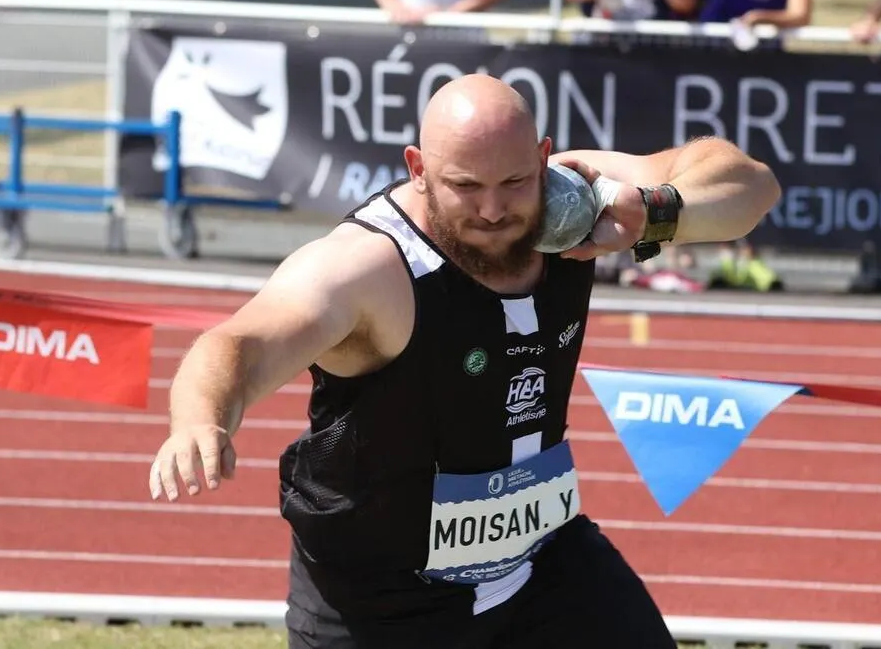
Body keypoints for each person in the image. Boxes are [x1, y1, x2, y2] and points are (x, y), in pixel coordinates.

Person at [148, 74, 780, 648]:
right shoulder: (368, 269)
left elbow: (750, 185)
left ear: (541, 157)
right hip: (380, 607)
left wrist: (657, 211)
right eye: (464, 187)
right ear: (418, 169)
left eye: (513, 183)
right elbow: (240, 345)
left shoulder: (575, 195)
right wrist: (202, 419)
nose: (493, 211)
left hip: (542, 565)